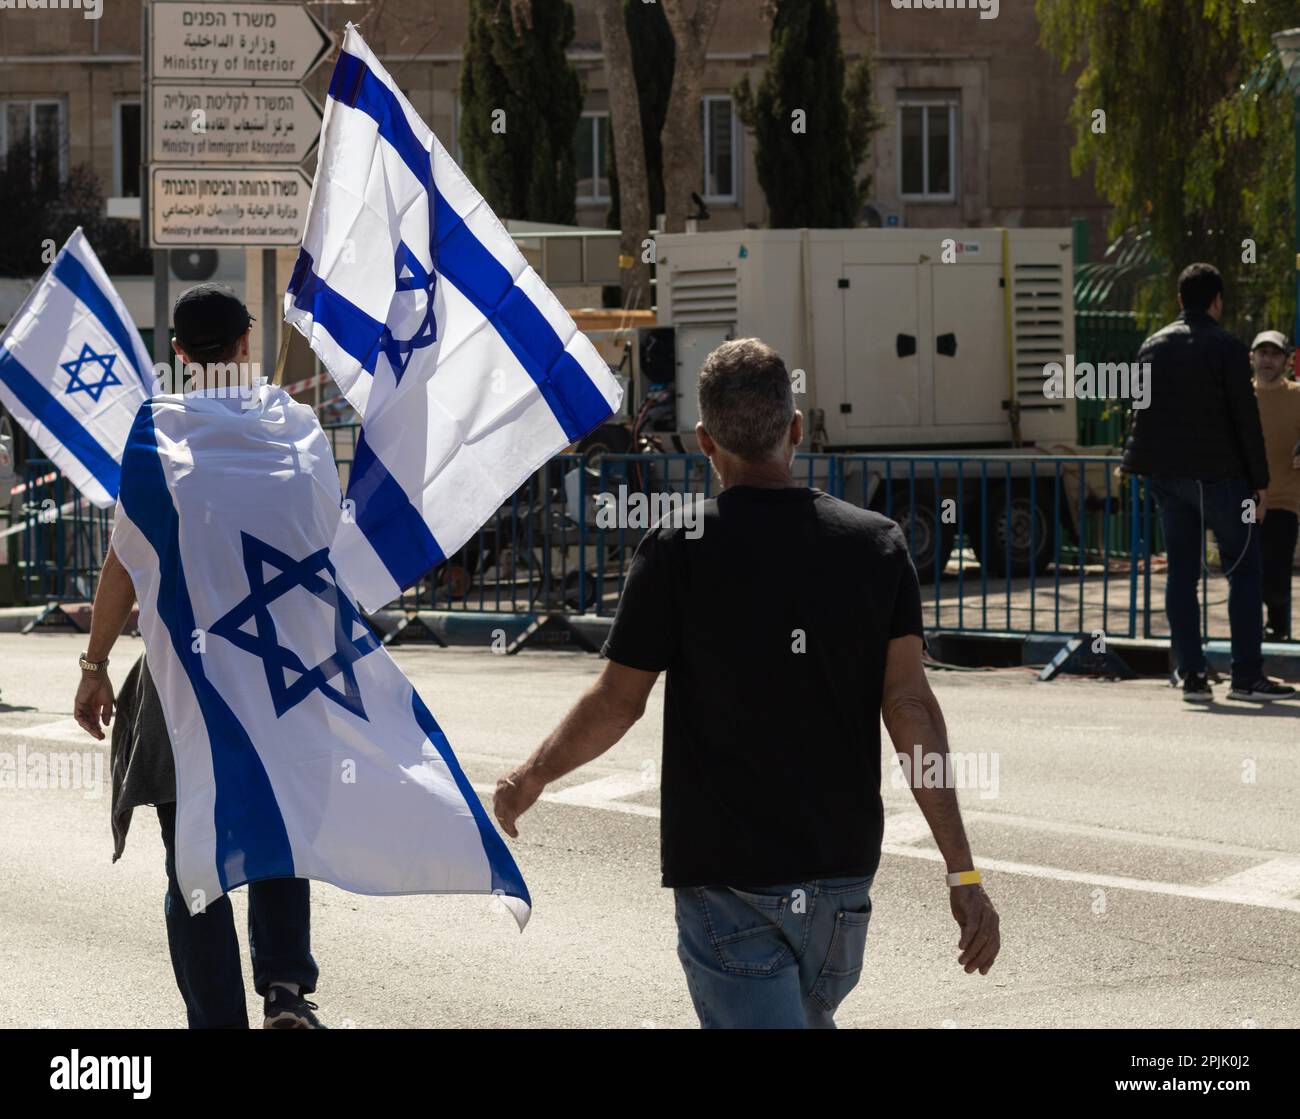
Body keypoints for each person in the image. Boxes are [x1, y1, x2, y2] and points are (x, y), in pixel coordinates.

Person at [492, 337, 1001, 1029]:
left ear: (705, 441)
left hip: (728, 880)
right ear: (795, 430)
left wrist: (531, 776)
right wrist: (961, 872)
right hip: (841, 883)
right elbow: (911, 707)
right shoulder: (875, 545)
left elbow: (617, 702)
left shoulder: (677, 551)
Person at [73, 284, 325, 1029]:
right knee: (278, 826)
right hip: (274, 668)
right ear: (247, 342)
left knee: (194, 852)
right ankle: (285, 987)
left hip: (181, 676)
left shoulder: (159, 433)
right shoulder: (295, 426)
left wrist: (93, 666)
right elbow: (322, 543)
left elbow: (125, 558)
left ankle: (218, 1019)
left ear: (179, 353)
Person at [1122, 263, 1295, 703]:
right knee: (1244, 570)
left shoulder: (1152, 346)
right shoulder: (1227, 348)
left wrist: (1136, 466)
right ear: (1216, 300)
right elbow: (1245, 420)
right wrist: (1259, 483)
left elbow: (1139, 412)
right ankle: (1246, 676)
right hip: (1220, 479)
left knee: (1181, 576)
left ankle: (1193, 675)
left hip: (1168, 478)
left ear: (1180, 300)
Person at [1250, 330, 1300, 640]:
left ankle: (1278, 629)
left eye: (1274, 354)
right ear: (1251, 357)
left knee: (1277, 572)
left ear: (1286, 360)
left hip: (1284, 499)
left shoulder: (1297, 395)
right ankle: (1248, 631)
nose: (1268, 360)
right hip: (1246, 500)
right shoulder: (1239, 395)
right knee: (1245, 568)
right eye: (1262, 353)